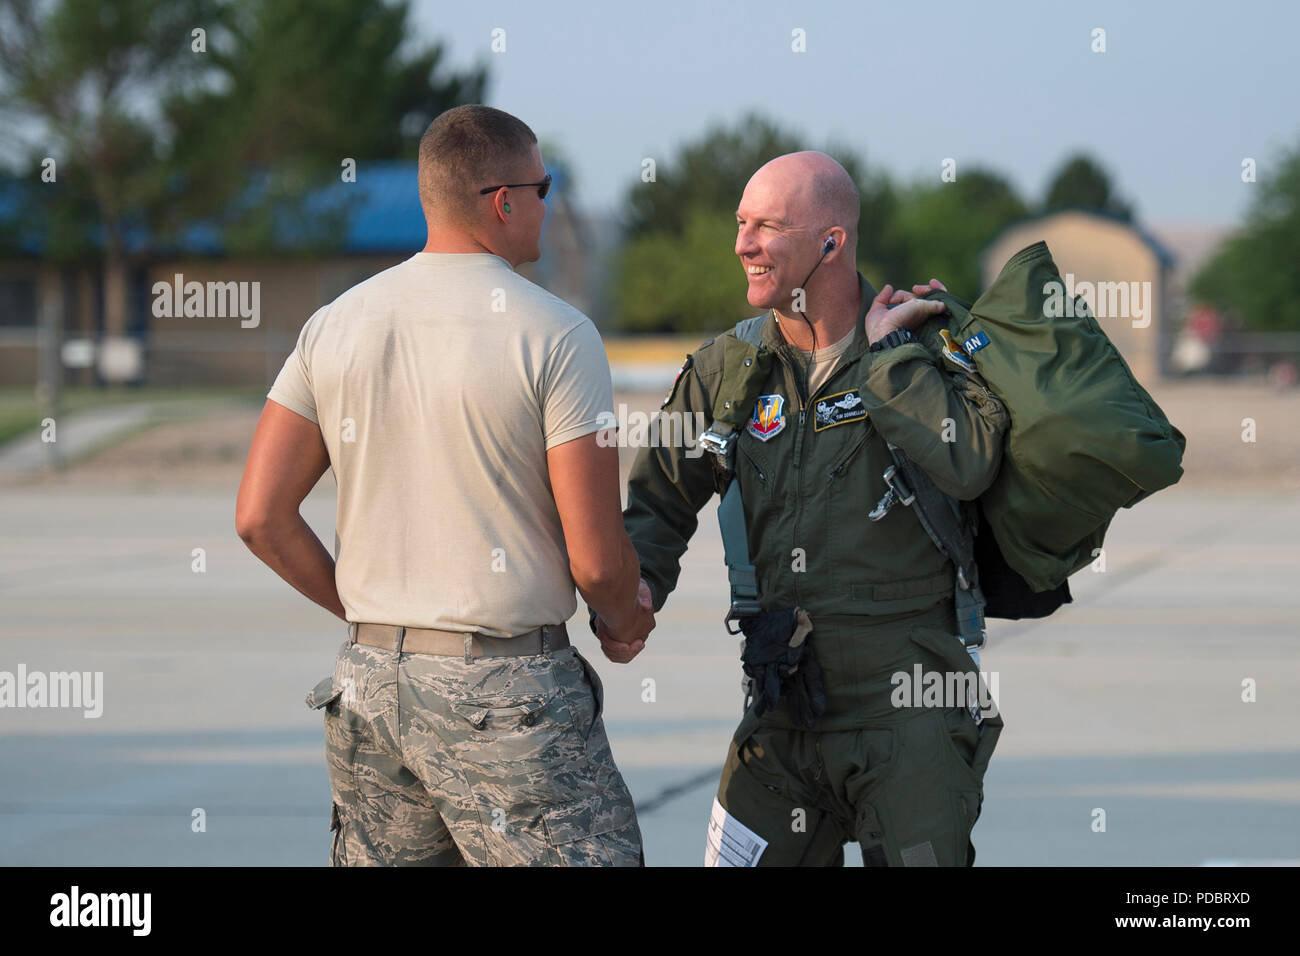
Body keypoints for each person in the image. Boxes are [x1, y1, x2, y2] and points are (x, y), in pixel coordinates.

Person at [235, 104, 652, 866]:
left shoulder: (335, 324)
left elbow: (261, 516)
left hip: (368, 689)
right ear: (503, 200)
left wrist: (375, 615)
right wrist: (626, 617)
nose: (546, 205)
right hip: (505, 696)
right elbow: (596, 559)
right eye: (542, 187)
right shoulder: (557, 334)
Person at [592, 151, 1009, 866]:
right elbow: (657, 500)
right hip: (780, 703)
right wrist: (633, 597)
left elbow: (969, 461)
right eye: (741, 223)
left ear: (831, 242)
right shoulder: (725, 369)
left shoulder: (922, 348)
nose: (742, 244)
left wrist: (889, 363)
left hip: (908, 707)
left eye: (768, 227)